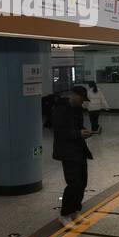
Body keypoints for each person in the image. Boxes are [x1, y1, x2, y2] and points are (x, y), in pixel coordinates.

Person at [52, 84, 93, 223]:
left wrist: (85, 132)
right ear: (74, 95)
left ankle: (75, 211)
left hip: (79, 149)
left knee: (82, 181)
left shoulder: (78, 109)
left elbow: (78, 127)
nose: (83, 101)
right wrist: (78, 133)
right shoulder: (60, 109)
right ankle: (64, 214)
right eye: (82, 98)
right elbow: (59, 132)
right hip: (67, 151)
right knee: (73, 183)